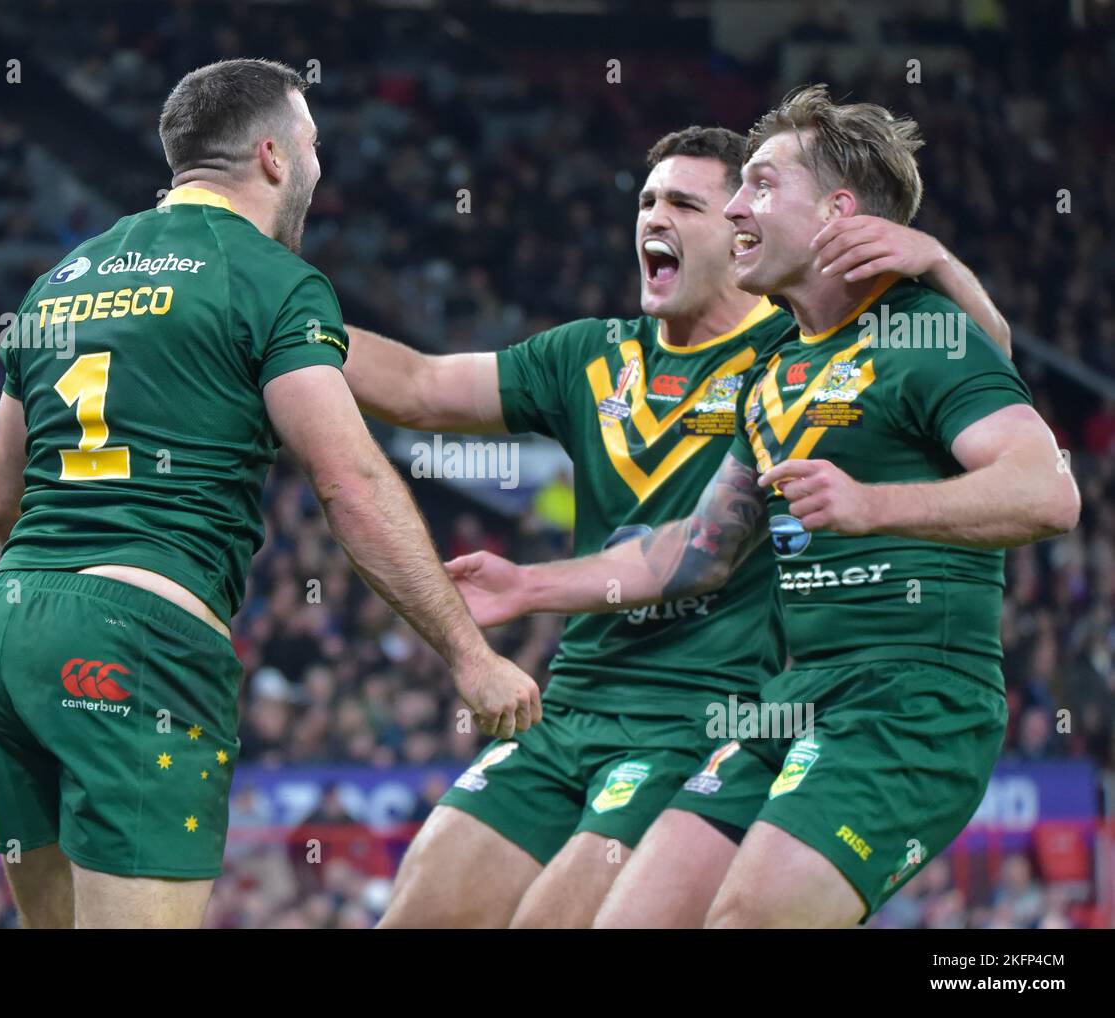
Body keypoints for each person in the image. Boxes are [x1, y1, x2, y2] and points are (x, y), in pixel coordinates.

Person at [447, 85, 1080, 928]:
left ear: (837, 214)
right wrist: (532, 585)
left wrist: (870, 503)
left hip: (912, 704)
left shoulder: (920, 332)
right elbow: (700, 548)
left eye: (759, 186)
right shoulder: (778, 364)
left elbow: (1050, 492)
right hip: (791, 696)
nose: (735, 207)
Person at [0, 58, 540, 930]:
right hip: (139, 640)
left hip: (7, 634)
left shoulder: (59, 279)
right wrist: (469, 653)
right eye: (313, 142)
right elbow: (347, 480)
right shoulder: (269, 279)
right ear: (273, 156)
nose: (319, 162)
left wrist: (67, 603)